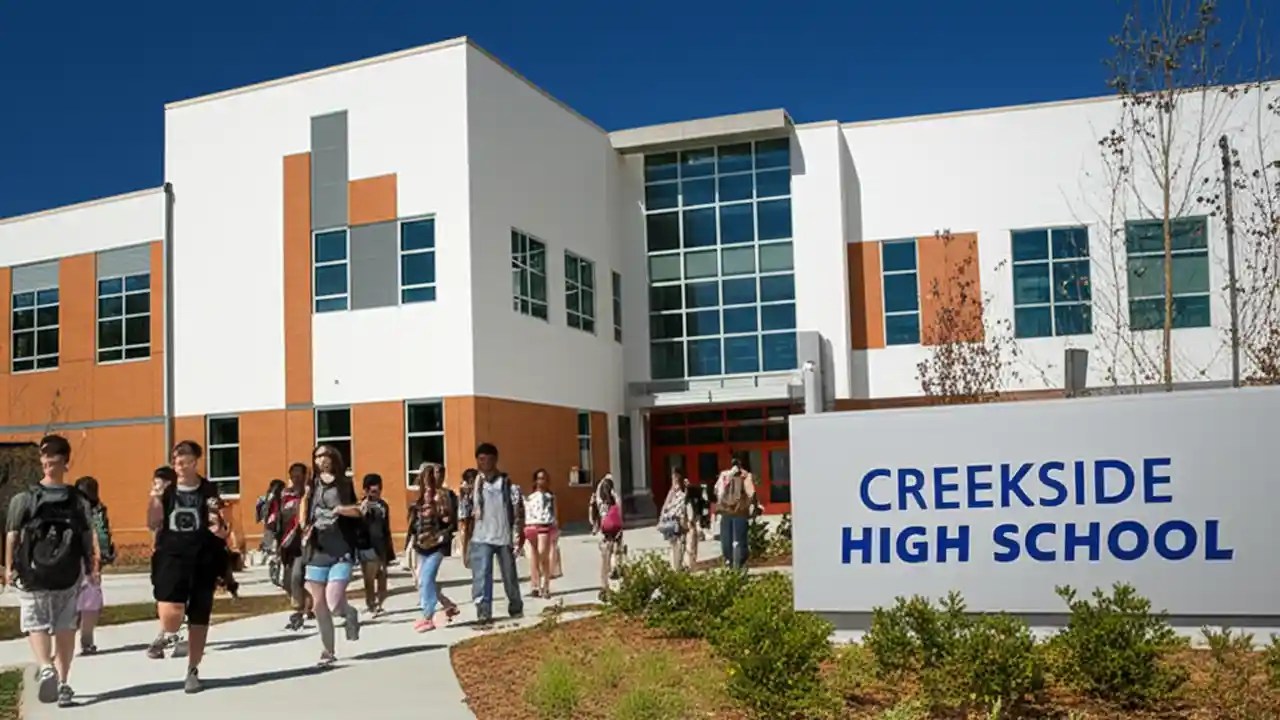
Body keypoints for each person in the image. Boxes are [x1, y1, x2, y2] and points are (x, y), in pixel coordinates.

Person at [3, 435, 100, 707]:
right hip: (68, 572)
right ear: (66, 463)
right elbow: (85, 535)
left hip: (32, 572)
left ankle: (46, 666)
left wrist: (9, 567)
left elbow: (12, 535)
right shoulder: (78, 500)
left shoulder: (24, 498)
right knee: (64, 626)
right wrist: (91, 567)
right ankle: (64, 682)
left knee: (35, 623)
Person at [146, 442, 228, 694]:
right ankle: (170, 632)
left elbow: (217, 517)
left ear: (195, 462)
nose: (179, 466)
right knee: (171, 614)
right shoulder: (166, 490)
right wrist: (156, 496)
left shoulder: (207, 489)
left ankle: (193, 669)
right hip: (171, 556)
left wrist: (221, 529)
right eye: (175, 461)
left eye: (183, 461)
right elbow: (152, 523)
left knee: (200, 615)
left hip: (204, 557)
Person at [299, 444, 362, 667]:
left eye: (325, 455)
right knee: (318, 605)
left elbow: (358, 510)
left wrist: (341, 510)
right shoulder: (311, 485)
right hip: (318, 549)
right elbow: (304, 511)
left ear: (334, 458)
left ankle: (350, 613)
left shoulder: (344, 484)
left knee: (334, 602)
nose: (321, 459)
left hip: (341, 549)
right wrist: (303, 525)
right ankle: (328, 650)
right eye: (317, 456)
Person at [469, 443, 524, 626]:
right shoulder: (473, 484)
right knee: (482, 575)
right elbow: (465, 513)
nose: (485, 463)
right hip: (480, 537)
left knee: (509, 575)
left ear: (495, 459)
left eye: (489, 459)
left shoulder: (506, 482)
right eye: (481, 459)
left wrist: (518, 532)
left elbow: (516, 509)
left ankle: (515, 606)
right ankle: (484, 611)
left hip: (503, 536)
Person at [409, 463, 461, 631]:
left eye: (431, 476)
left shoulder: (443, 497)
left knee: (426, 579)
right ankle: (447, 605)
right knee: (424, 581)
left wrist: (442, 534)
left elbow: (449, 521)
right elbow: (413, 523)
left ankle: (428, 617)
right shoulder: (418, 499)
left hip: (437, 546)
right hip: (421, 546)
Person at [73, 475, 114, 655]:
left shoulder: (82, 510)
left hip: (80, 560)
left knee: (82, 601)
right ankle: (85, 640)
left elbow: (101, 535)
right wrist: (101, 557)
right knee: (88, 602)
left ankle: (82, 639)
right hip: (85, 559)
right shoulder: (94, 510)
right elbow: (100, 536)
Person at [278, 463, 312, 630]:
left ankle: (297, 614)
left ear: (305, 476)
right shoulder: (285, 496)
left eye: (300, 476)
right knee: (286, 582)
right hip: (287, 544)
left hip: (305, 544)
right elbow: (277, 519)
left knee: (297, 577)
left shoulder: (311, 496)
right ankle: (309, 603)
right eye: (293, 477)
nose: (296, 480)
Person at [356, 473, 393, 616]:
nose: (377, 494)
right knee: (369, 578)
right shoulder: (361, 506)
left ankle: (380, 603)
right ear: (366, 490)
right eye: (373, 492)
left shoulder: (383, 506)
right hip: (367, 546)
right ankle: (371, 603)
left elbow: (386, 528)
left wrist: (388, 550)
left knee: (382, 575)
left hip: (381, 546)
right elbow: (357, 527)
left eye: (379, 491)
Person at [715, 454, 756, 570]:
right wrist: (755, 507)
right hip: (740, 512)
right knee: (740, 539)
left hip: (726, 511)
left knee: (726, 539)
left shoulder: (724, 475)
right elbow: (751, 493)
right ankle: (741, 564)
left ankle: (729, 561)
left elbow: (717, 492)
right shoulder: (746, 476)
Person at [523, 469, 559, 598]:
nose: (541, 481)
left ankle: (546, 585)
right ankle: (535, 585)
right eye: (539, 478)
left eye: (543, 478)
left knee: (543, 555)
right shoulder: (530, 497)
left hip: (545, 526)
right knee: (533, 557)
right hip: (532, 526)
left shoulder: (550, 497)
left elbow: (555, 514)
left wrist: (556, 529)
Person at [589, 473, 624, 600]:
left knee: (604, 561)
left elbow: (592, 519)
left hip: (604, 533)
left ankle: (604, 587)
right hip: (616, 532)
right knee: (617, 553)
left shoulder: (598, 503)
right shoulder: (614, 502)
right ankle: (615, 572)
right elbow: (620, 512)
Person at [658, 468, 690, 570]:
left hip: (671, 520)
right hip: (678, 521)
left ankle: (675, 566)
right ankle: (677, 566)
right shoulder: (684, 490)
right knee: (678, 544)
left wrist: (661, 519)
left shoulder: (673, 491)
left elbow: (665, 506)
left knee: (674, 545)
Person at [456, 468, 477, 569]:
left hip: (473, 516)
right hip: (466, 517)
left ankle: (472, 558)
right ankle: (467, 559)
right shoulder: (464, 489)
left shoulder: (475, 488)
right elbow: (464, 504)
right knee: (466, 538)